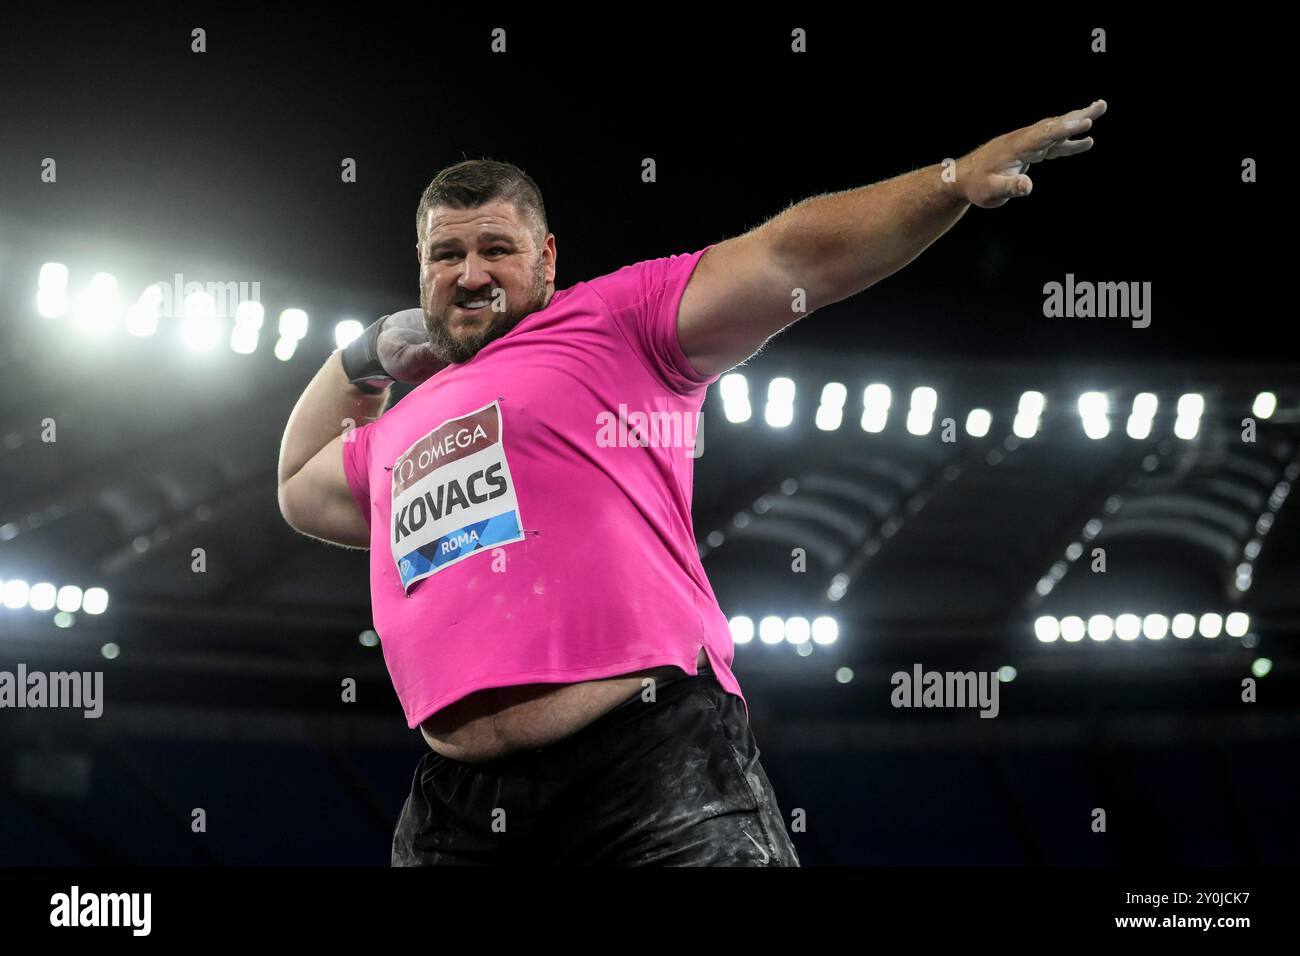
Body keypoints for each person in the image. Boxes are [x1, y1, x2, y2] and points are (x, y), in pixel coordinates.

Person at [276, 100, 1105, 865]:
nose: (471, 273)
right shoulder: (395, 434)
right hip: (455, 812)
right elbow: (297, 485)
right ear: (420, 268)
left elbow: (790, 254)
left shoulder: (614, 320)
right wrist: (366, 355)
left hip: (648, 764)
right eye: (447, 253)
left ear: (548, 259)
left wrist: (951, 180)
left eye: (498, 248)